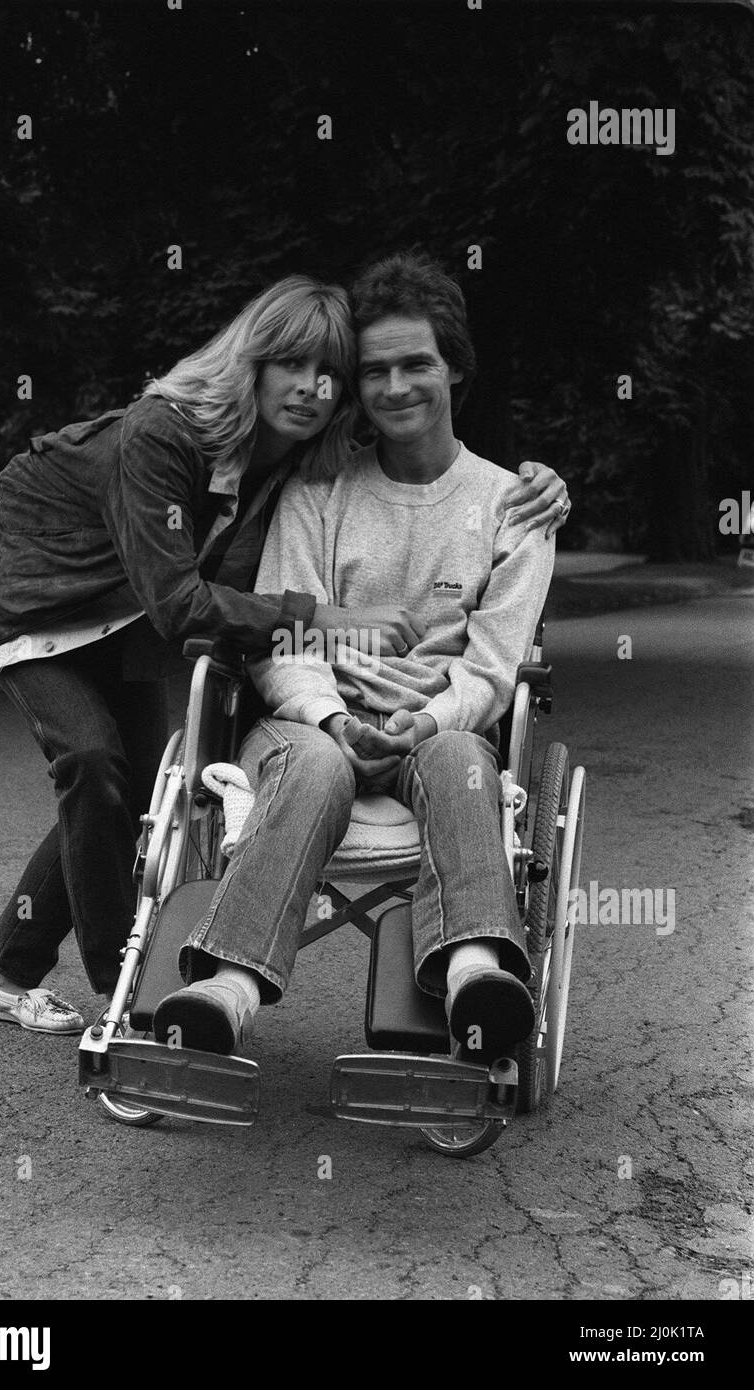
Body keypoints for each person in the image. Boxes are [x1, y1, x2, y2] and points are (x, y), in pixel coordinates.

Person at [0, 271, 569, 1035]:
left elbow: (481, 639)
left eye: (330, 374)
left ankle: (6, 968)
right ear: (253, 363)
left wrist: (544, 484)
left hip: (123, 609)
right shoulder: (170, 437)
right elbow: (189, 609)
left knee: (131, 790)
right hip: (32, 587)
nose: (314, 388)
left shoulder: (296, 458)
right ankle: (134, 994)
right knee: (97, 766)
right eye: (300, 366)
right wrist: (334, 657)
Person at [153, 251, 562, 1062]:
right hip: (312, 723)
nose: (395, 387)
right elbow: (284, 638)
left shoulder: (513, 507)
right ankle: (224, 991)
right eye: (374, 371)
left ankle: (477, 972)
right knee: (311, 762)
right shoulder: (317, 491)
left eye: (417, 364)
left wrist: (423, 721)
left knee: (457, 760)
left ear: (454, 370)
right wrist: (331, 716)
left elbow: (490, 667)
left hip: (438, 728)